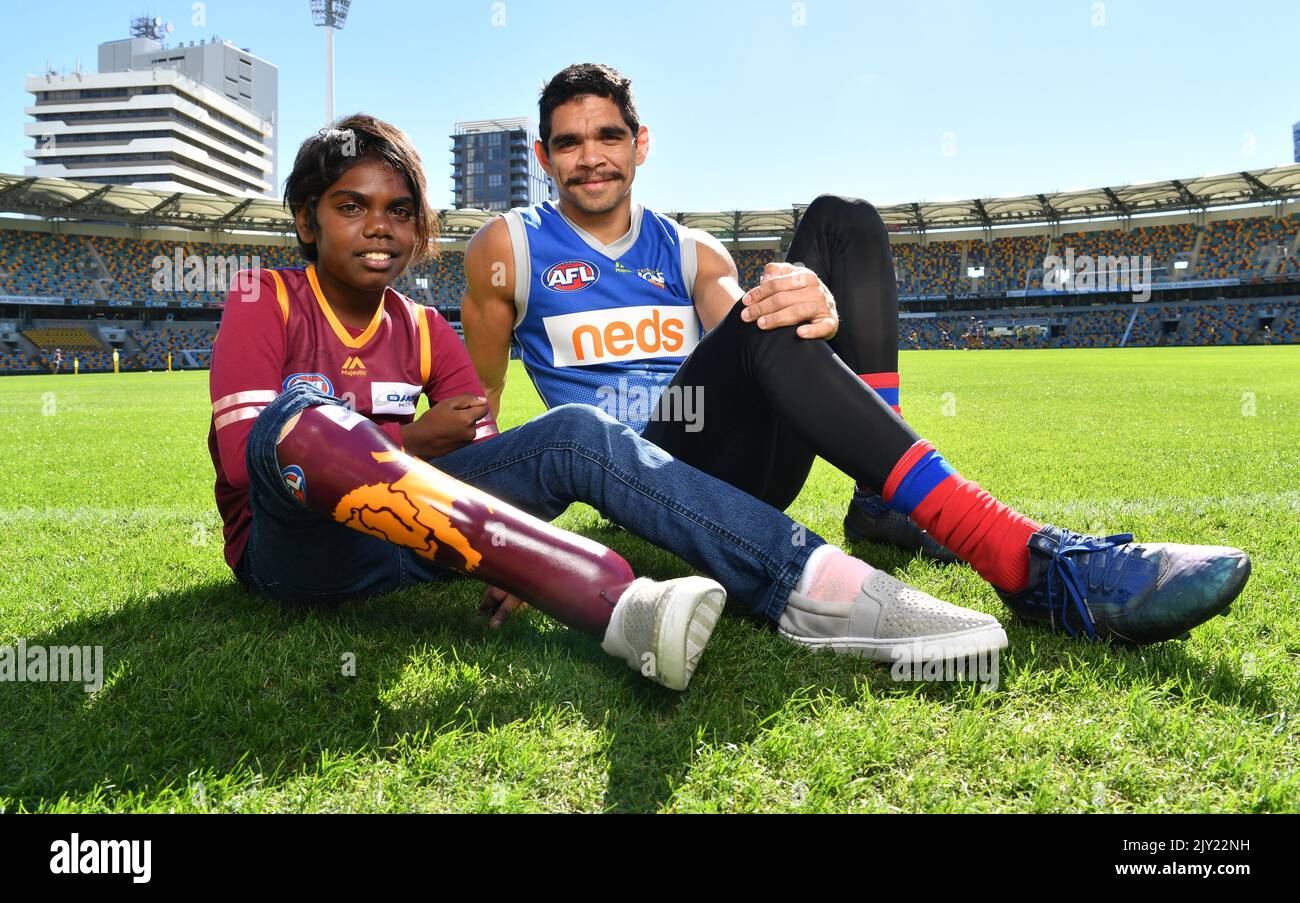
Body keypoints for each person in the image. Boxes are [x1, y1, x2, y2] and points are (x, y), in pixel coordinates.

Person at [208, 114, 1009, 692]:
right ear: (308, 220)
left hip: (406, 541)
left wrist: (494, 523)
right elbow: (250, 460)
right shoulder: (264, 296)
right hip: (297, 553)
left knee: (574, 431)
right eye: (351, 206)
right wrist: (413, 439)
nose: (377, 227)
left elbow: (490, 460)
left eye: (398, 211)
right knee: (297, 416)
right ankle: (606, 597)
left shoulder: (423, 329)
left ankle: (821, 590)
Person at [461, 63, 1251, 645]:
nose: (590, 156)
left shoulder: (692, 250)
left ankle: (882, 505)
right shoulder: (513, 249)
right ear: (543, 156)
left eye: (608, 136)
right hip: (636, 471)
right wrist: (521, 543)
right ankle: (1024, 559)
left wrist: (819, 307)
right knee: (768, 316)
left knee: (844, 222)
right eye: (569, 143)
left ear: (641, 144)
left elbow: (743, 338)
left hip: (732, 456)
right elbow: (481, 417)